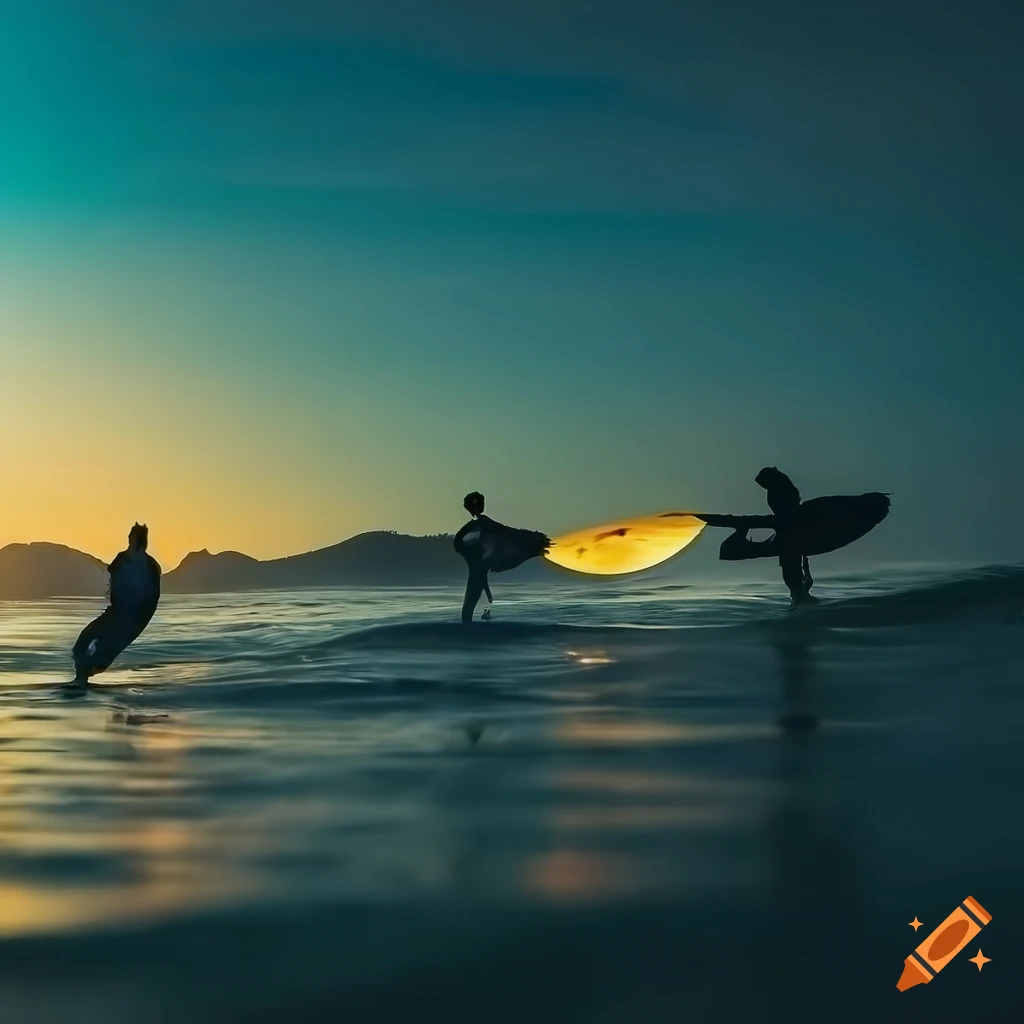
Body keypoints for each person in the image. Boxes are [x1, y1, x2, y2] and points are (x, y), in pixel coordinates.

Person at [72, 522, 162, 682]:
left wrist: (140, 619)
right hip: (119, 612)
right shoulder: (124, 559)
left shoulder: (150, 566)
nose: (129, 540)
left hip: (135, 618)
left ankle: (83, 677)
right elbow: (111, 571)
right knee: (85, 639)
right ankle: (80, 678)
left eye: (132, 537)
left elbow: (153, 597)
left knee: (105, 649)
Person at [453, 492, 550, 623]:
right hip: (478, 565)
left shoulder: (477, 525)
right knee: (471, 602)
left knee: (471, 602)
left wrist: (531, 537)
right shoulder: (476, 525)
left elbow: (506, 531)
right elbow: (506, 531)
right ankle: (471, 629)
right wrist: (532, 536)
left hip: (480, 565)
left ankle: (470, 629)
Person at [754, 467, 816, 606]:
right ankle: (799, 597)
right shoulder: (779, 485)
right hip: (788, 533)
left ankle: (799, 598)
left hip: (789, 534)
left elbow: (792, 499)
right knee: (792, 572)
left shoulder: (780, 485)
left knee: (792, 571)